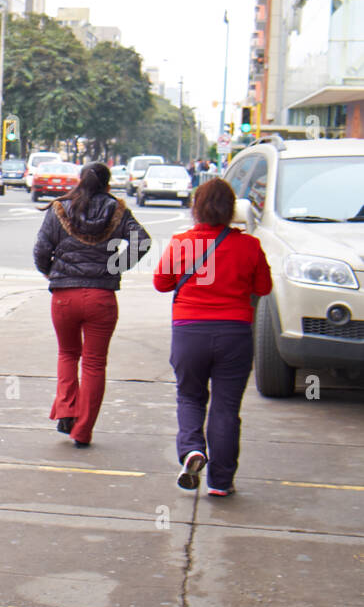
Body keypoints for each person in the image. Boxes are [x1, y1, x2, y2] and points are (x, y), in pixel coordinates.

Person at [154, 178, 271, 496]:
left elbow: (161, 283)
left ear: (196, 207)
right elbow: (263, 289)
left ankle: (192, 449)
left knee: (190, 396)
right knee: (226, 407)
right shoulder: (249, 246)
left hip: (189, 333)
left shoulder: (181, 243)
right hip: (234, 334)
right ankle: (220, 481)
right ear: (232, 209)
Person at [33, 162, 152, 446]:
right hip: (101, 298)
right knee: (95, 364)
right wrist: (115, 266)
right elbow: (142, 241)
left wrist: (51, 271)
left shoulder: (60, 208)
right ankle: (83, 430)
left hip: (64, 297)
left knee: (67, 354)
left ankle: (66, 409)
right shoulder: (118, 210)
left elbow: (41, 249)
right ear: (108, 186)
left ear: (79, 182)